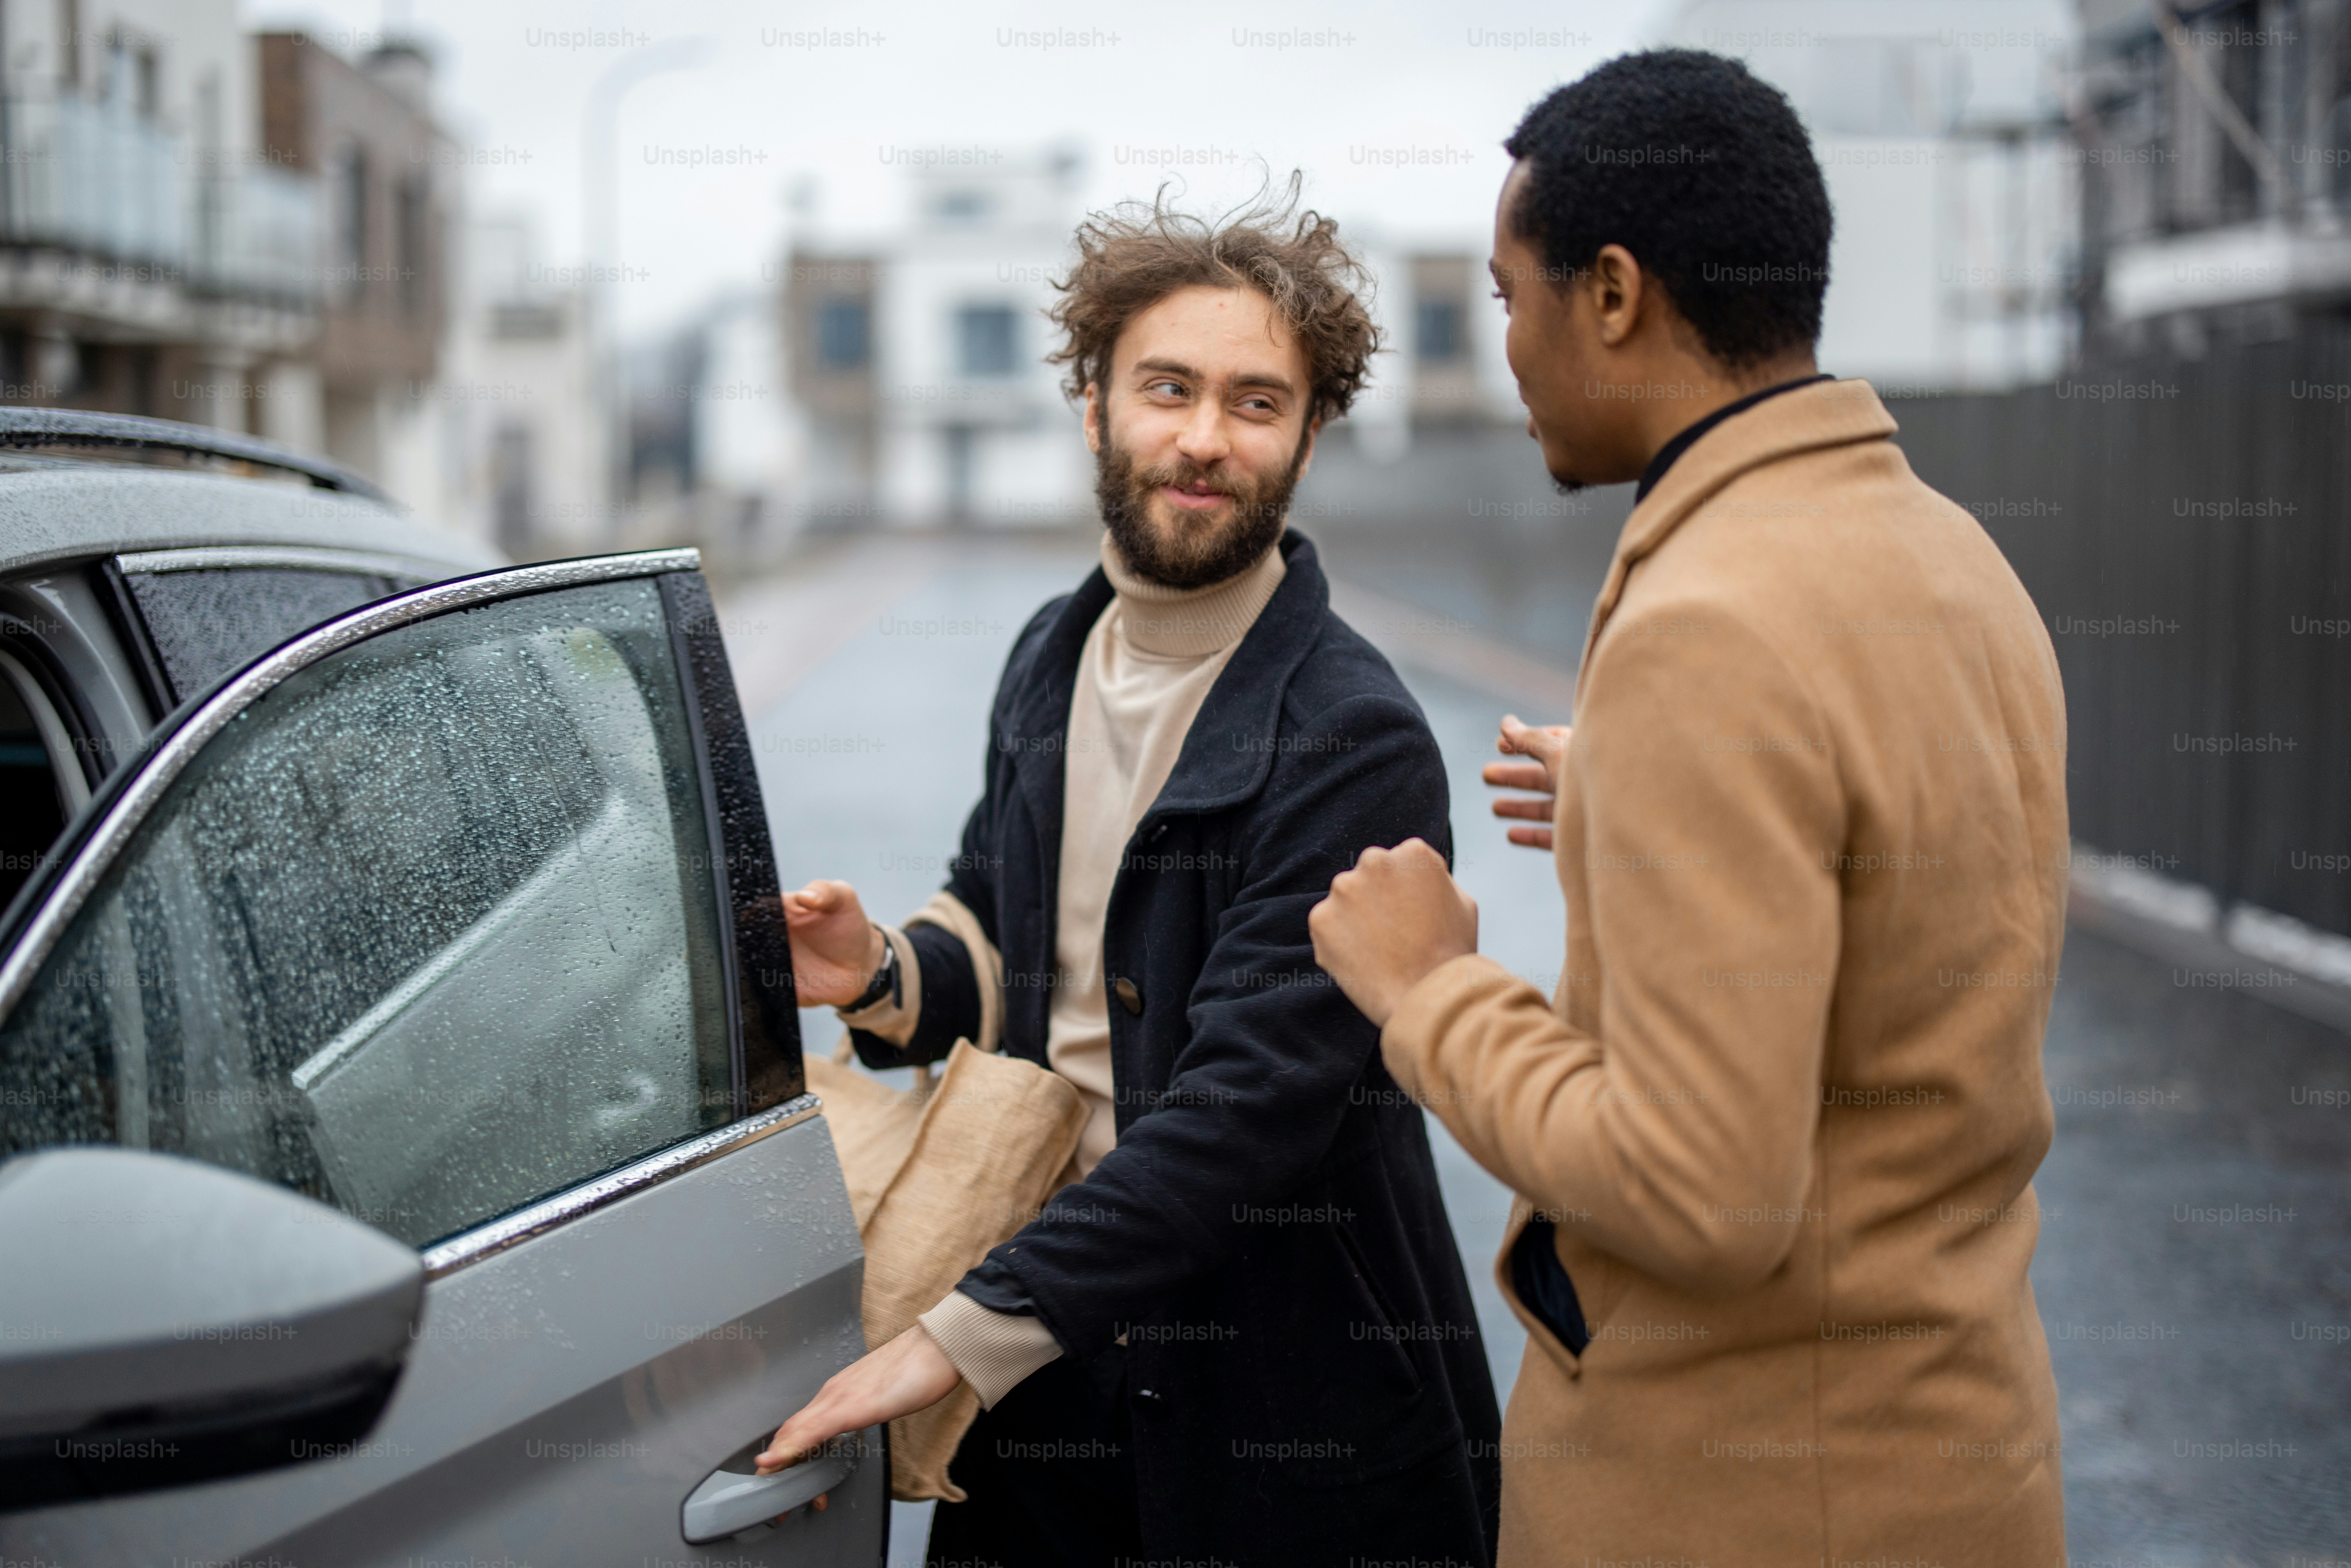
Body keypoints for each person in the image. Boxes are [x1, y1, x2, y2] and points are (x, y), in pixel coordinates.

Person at [1310, 50, 2070, 1568]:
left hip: (1752, 1502)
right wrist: (1639, 807)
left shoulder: (1707, 626)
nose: (1506, 348)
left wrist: (1429, 990)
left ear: (1612, 293)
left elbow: (1699, 1190)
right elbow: (1903, 889)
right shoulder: (1947, 552)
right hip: (1959, 1459)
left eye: (1509, 295)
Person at [761, 185, 1501, 1564]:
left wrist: (956, 1338)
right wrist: (880, 970)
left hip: (1271, 1393)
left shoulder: (1353, 737)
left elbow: (1245, 1110)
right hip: (1046, 1366)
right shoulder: (1053, 652)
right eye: (1167, 388)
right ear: (1094, 407)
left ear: (1308, 437)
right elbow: (1006, 923)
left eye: (1255, 402)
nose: (1204, 437)